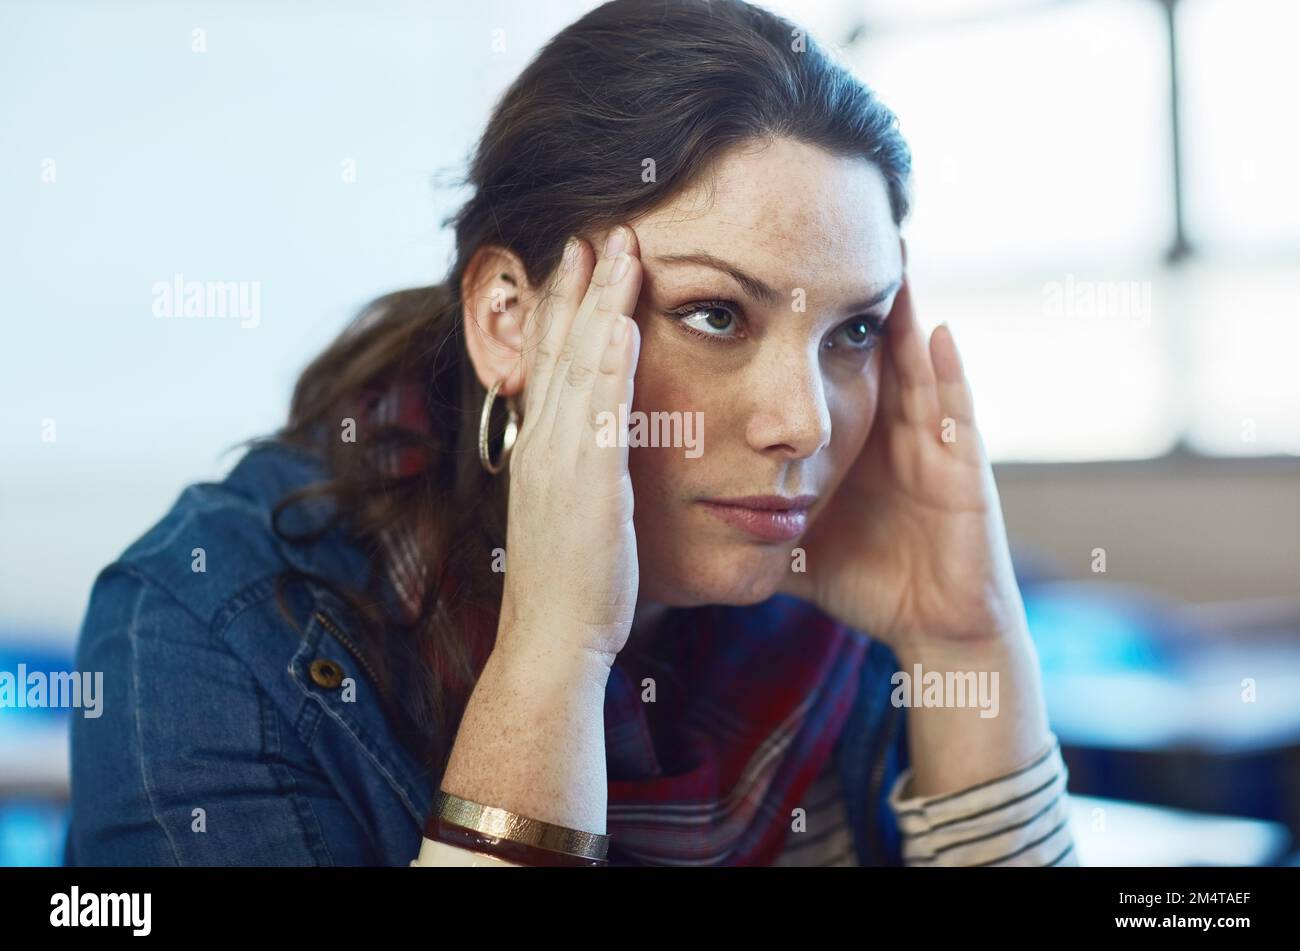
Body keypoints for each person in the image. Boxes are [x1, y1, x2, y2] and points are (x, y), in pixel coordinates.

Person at [66, 0, 1076, 867]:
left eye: (853, 330)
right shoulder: (204, 629)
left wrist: (966, 638)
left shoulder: (839, 616)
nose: (804, 421)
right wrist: (552, 655)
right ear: (509, 316)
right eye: (715, 313)